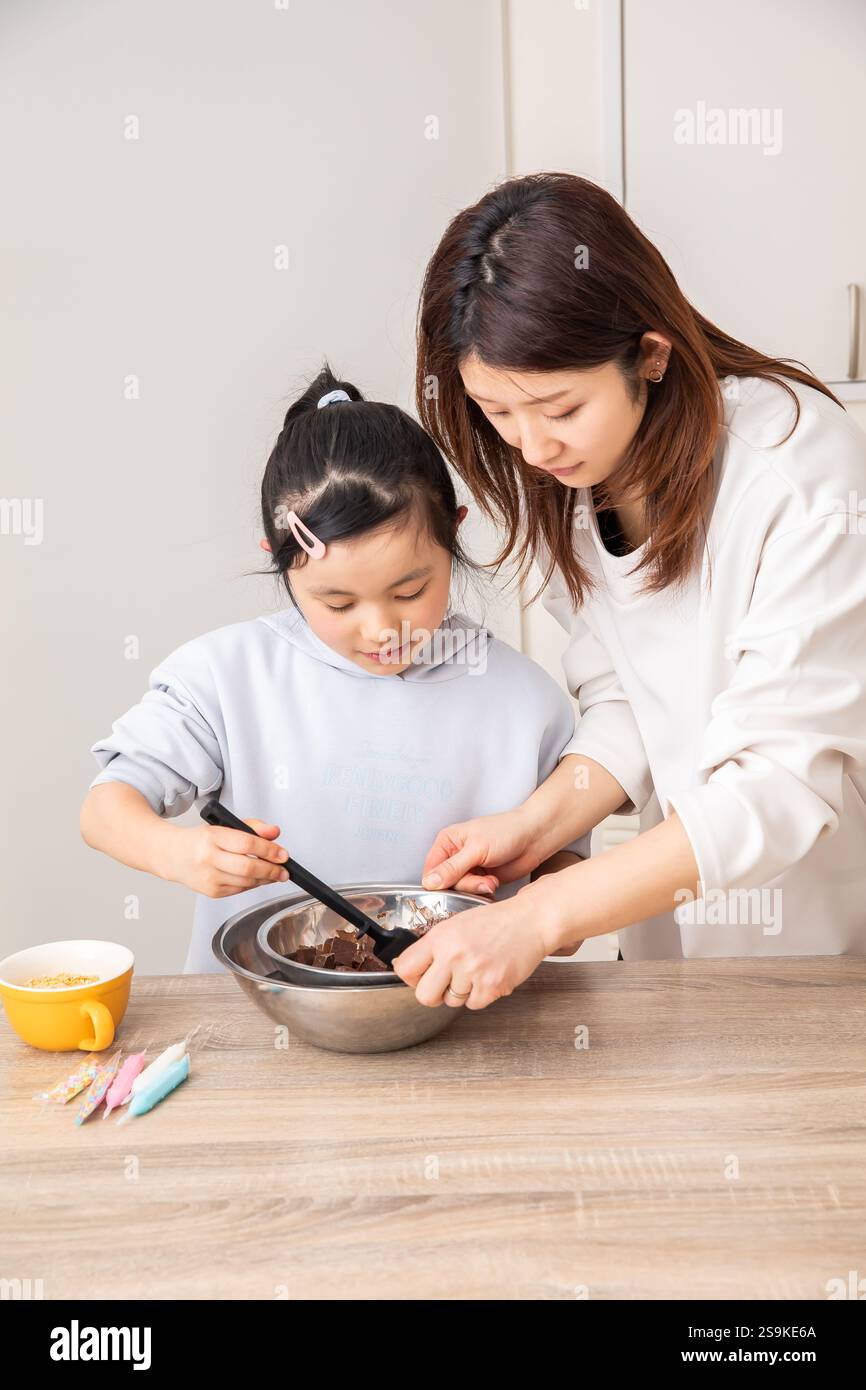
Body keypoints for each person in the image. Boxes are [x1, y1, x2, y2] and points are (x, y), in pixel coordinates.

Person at [387, 171, 866, 1011]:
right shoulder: (585, 481)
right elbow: (631, 699)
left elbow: (780, 780)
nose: (532, 447)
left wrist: (539, 917)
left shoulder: (799, 469)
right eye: (499, 413)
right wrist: (536, 829)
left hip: (828, 926)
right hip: (685, 928)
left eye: (559, 407)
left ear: (650, 354)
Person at [80, 364, 586, 974]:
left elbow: (565, 897)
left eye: (409, 591)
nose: (380, 629)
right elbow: (106, 809)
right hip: (258, 1025)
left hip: (465, 1022)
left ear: (454, 535)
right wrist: (179, 853)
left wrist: (525, 909)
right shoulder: (225, 677)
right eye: (337, 603)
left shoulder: (526, 701)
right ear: (281, 563)